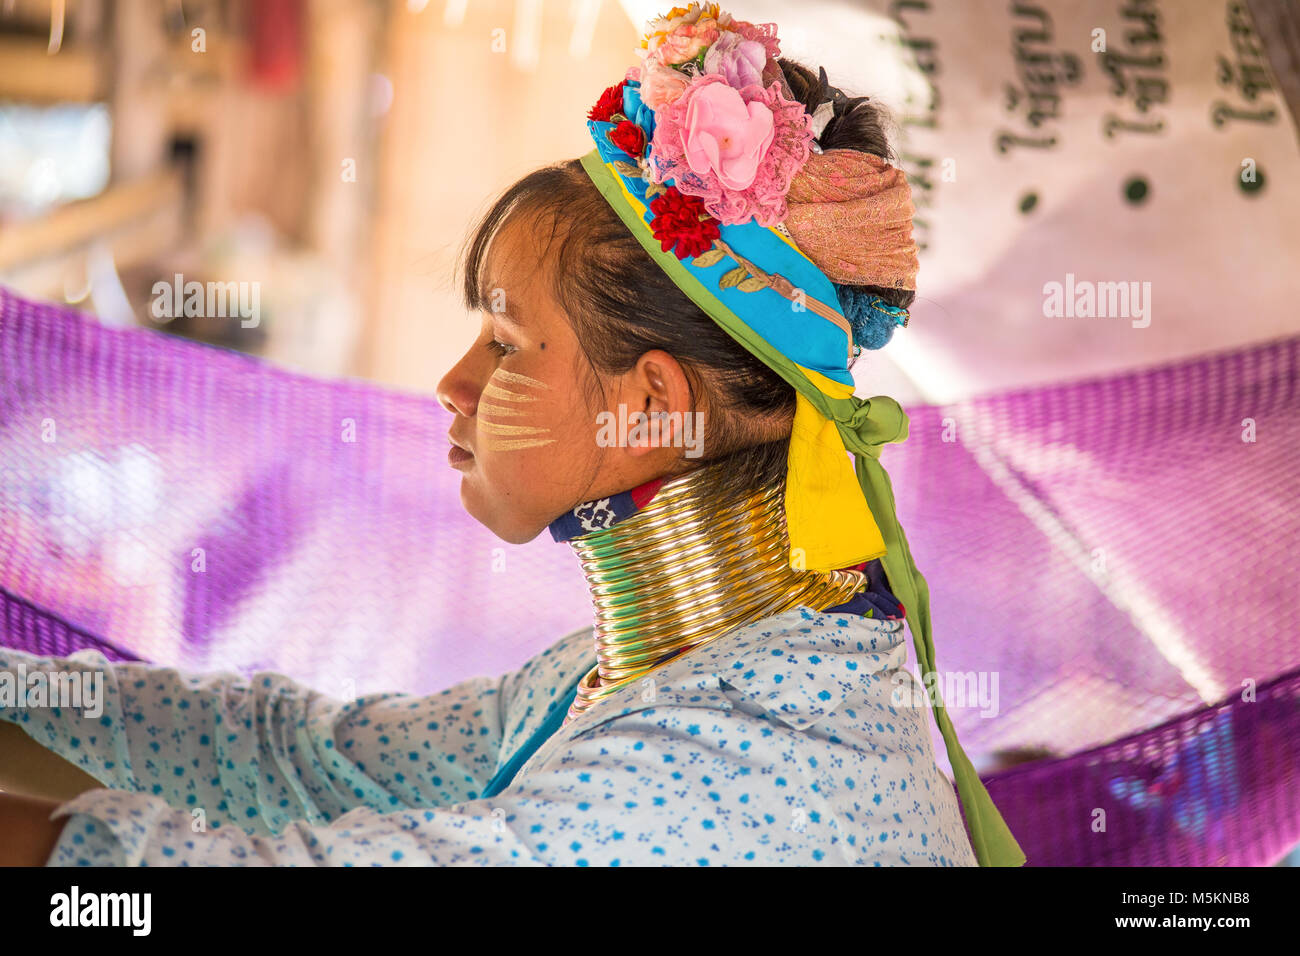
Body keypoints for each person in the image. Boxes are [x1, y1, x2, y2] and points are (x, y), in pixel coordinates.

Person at [0, 3, 1024, 866]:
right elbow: (309, 757)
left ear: (655, 403)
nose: (453, 383)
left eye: (503, 341)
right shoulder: (673, 670)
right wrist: (21, 681)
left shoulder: (730, 763)